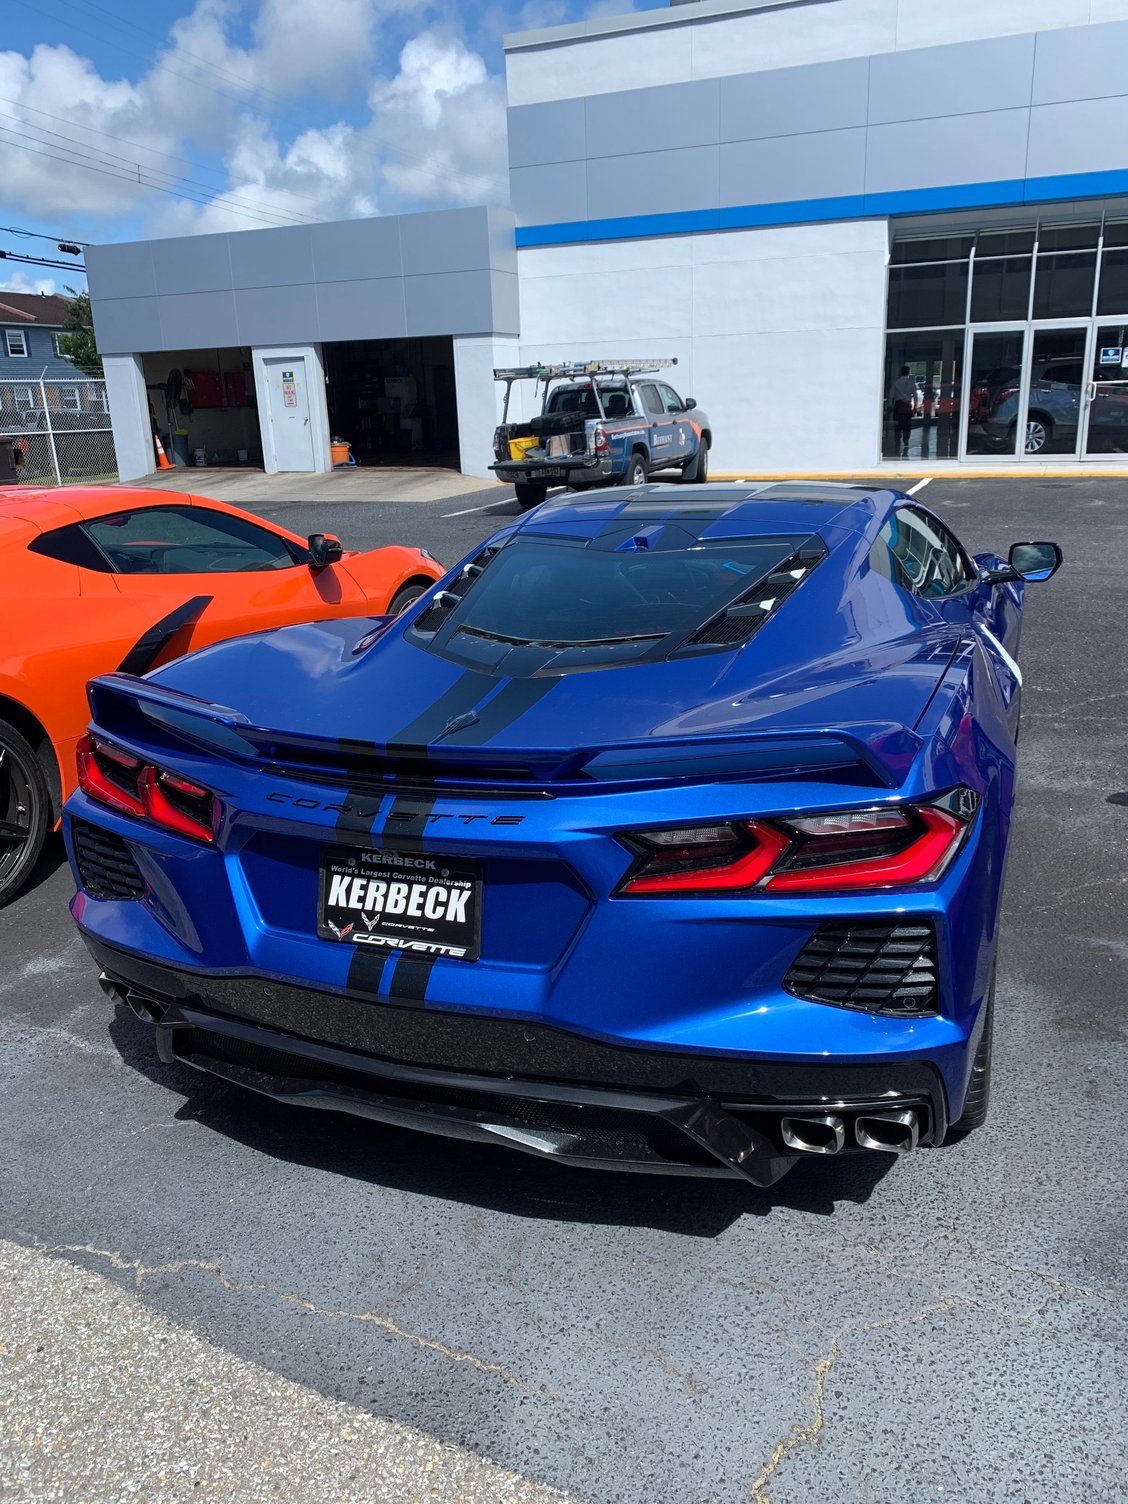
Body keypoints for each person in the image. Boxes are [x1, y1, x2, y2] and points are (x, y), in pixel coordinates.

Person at [890, 365, 919, 458]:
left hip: (898, 405)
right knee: (907, 424)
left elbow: (891, 394)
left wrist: (890, 405)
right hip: (907, 405)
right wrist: (915, 406)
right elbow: (915, 395)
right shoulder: (911, 383)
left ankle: (897, 440)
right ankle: (906, 440)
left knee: (897, 423)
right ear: (908, 372)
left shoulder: (896, 382)